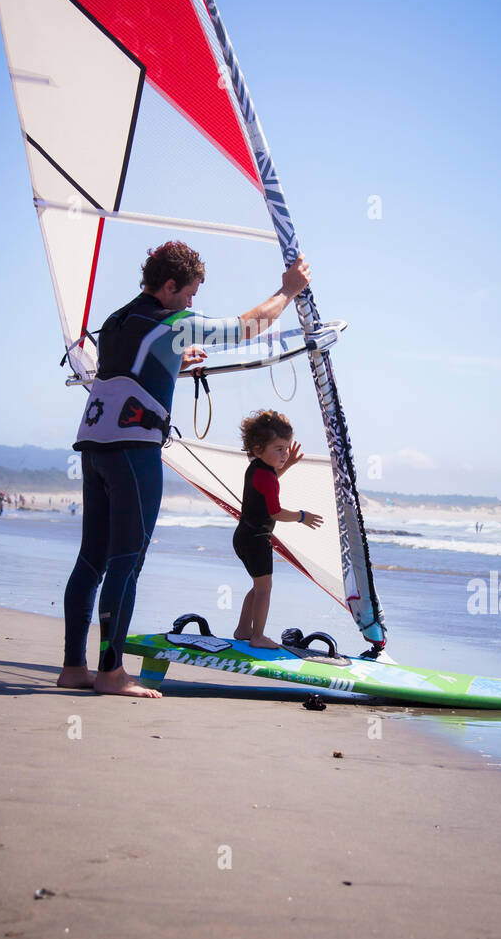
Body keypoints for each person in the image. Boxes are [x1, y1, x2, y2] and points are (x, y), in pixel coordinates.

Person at [58, 240, 312, 697]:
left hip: (94, 445)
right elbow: (244, 328)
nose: (194, 302)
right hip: (132, 451)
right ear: (170, 286)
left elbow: (126, 373)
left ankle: (74, 667)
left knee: (90, 559)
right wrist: (288, 290)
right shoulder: (175, 322)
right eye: (191, 292)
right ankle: (111, 674)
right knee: (125, 562)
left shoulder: (117, 320)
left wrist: (172, 364)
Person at [232, 410, 322, 649]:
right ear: (259, 448)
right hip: (256, 539)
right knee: (264, 589)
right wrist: (302, 516)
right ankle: (258, 636)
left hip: (244, 536)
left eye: (287, 448)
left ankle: (243, 629)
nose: (284, 454)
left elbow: (270, 481)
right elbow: (275, 512)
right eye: (279, 449)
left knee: (258, 586)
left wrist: (288, 464)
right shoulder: (266, 475)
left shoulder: (259, 469)